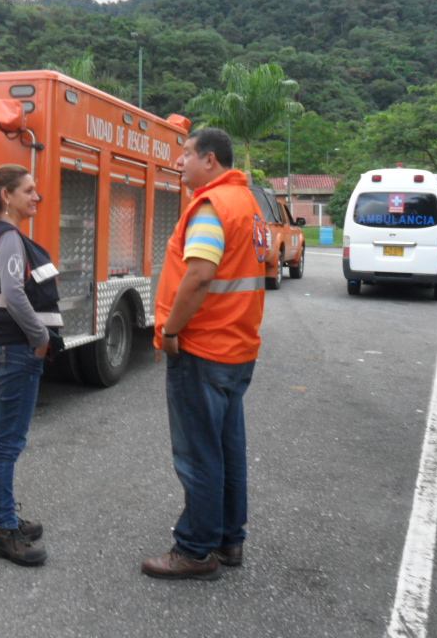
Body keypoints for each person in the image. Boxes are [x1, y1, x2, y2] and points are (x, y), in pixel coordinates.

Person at [142, 127, 267, 580]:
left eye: (186, 153)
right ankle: (229, 539)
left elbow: (198, 277)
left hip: (203, 348)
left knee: (199, 455)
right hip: (236, 348)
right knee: (228, 449)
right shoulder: (248, 203)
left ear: (210, 160)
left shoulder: (212, 207)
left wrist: (170, 331)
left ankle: (196, 550)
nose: (179, 162)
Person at [0, 164, 63, 567]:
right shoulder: (9, 236)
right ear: (6, 196)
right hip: (14, 351)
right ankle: (5, 532)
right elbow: (13, 294)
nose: (36, 197)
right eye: (28, 190)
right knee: (6, 445)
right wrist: (41, 339)